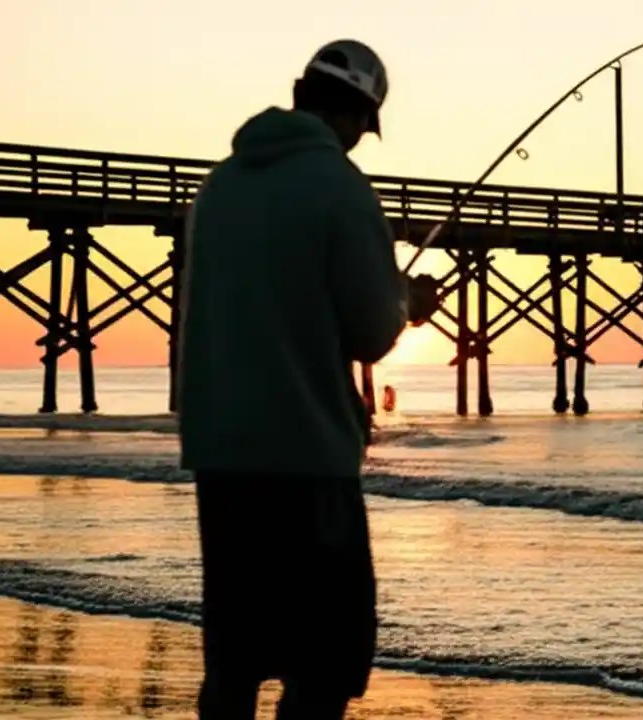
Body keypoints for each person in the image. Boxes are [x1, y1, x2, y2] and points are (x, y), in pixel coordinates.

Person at [174, 39, 440, 720]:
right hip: (306, 462)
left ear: (301, 93)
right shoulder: (340, 187)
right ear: (356, 116)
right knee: (325, 665)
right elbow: (371, 331)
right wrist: (407, 303)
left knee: (233, 665)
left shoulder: (219, 185)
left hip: (220, 460)